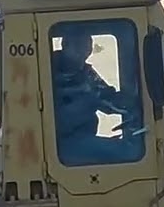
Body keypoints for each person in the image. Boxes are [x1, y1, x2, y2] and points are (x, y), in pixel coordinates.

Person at [50, 29, 141, 165]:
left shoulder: (85, 73)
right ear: (65, 45)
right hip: (61, 143)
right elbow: (96, 98)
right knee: (127, 154)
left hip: (81, 138)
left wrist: (133, 103)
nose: (84, 51)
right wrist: (90, 98)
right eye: (79, 45)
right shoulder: (47, 70)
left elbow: (107, 97)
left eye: (87, 46)